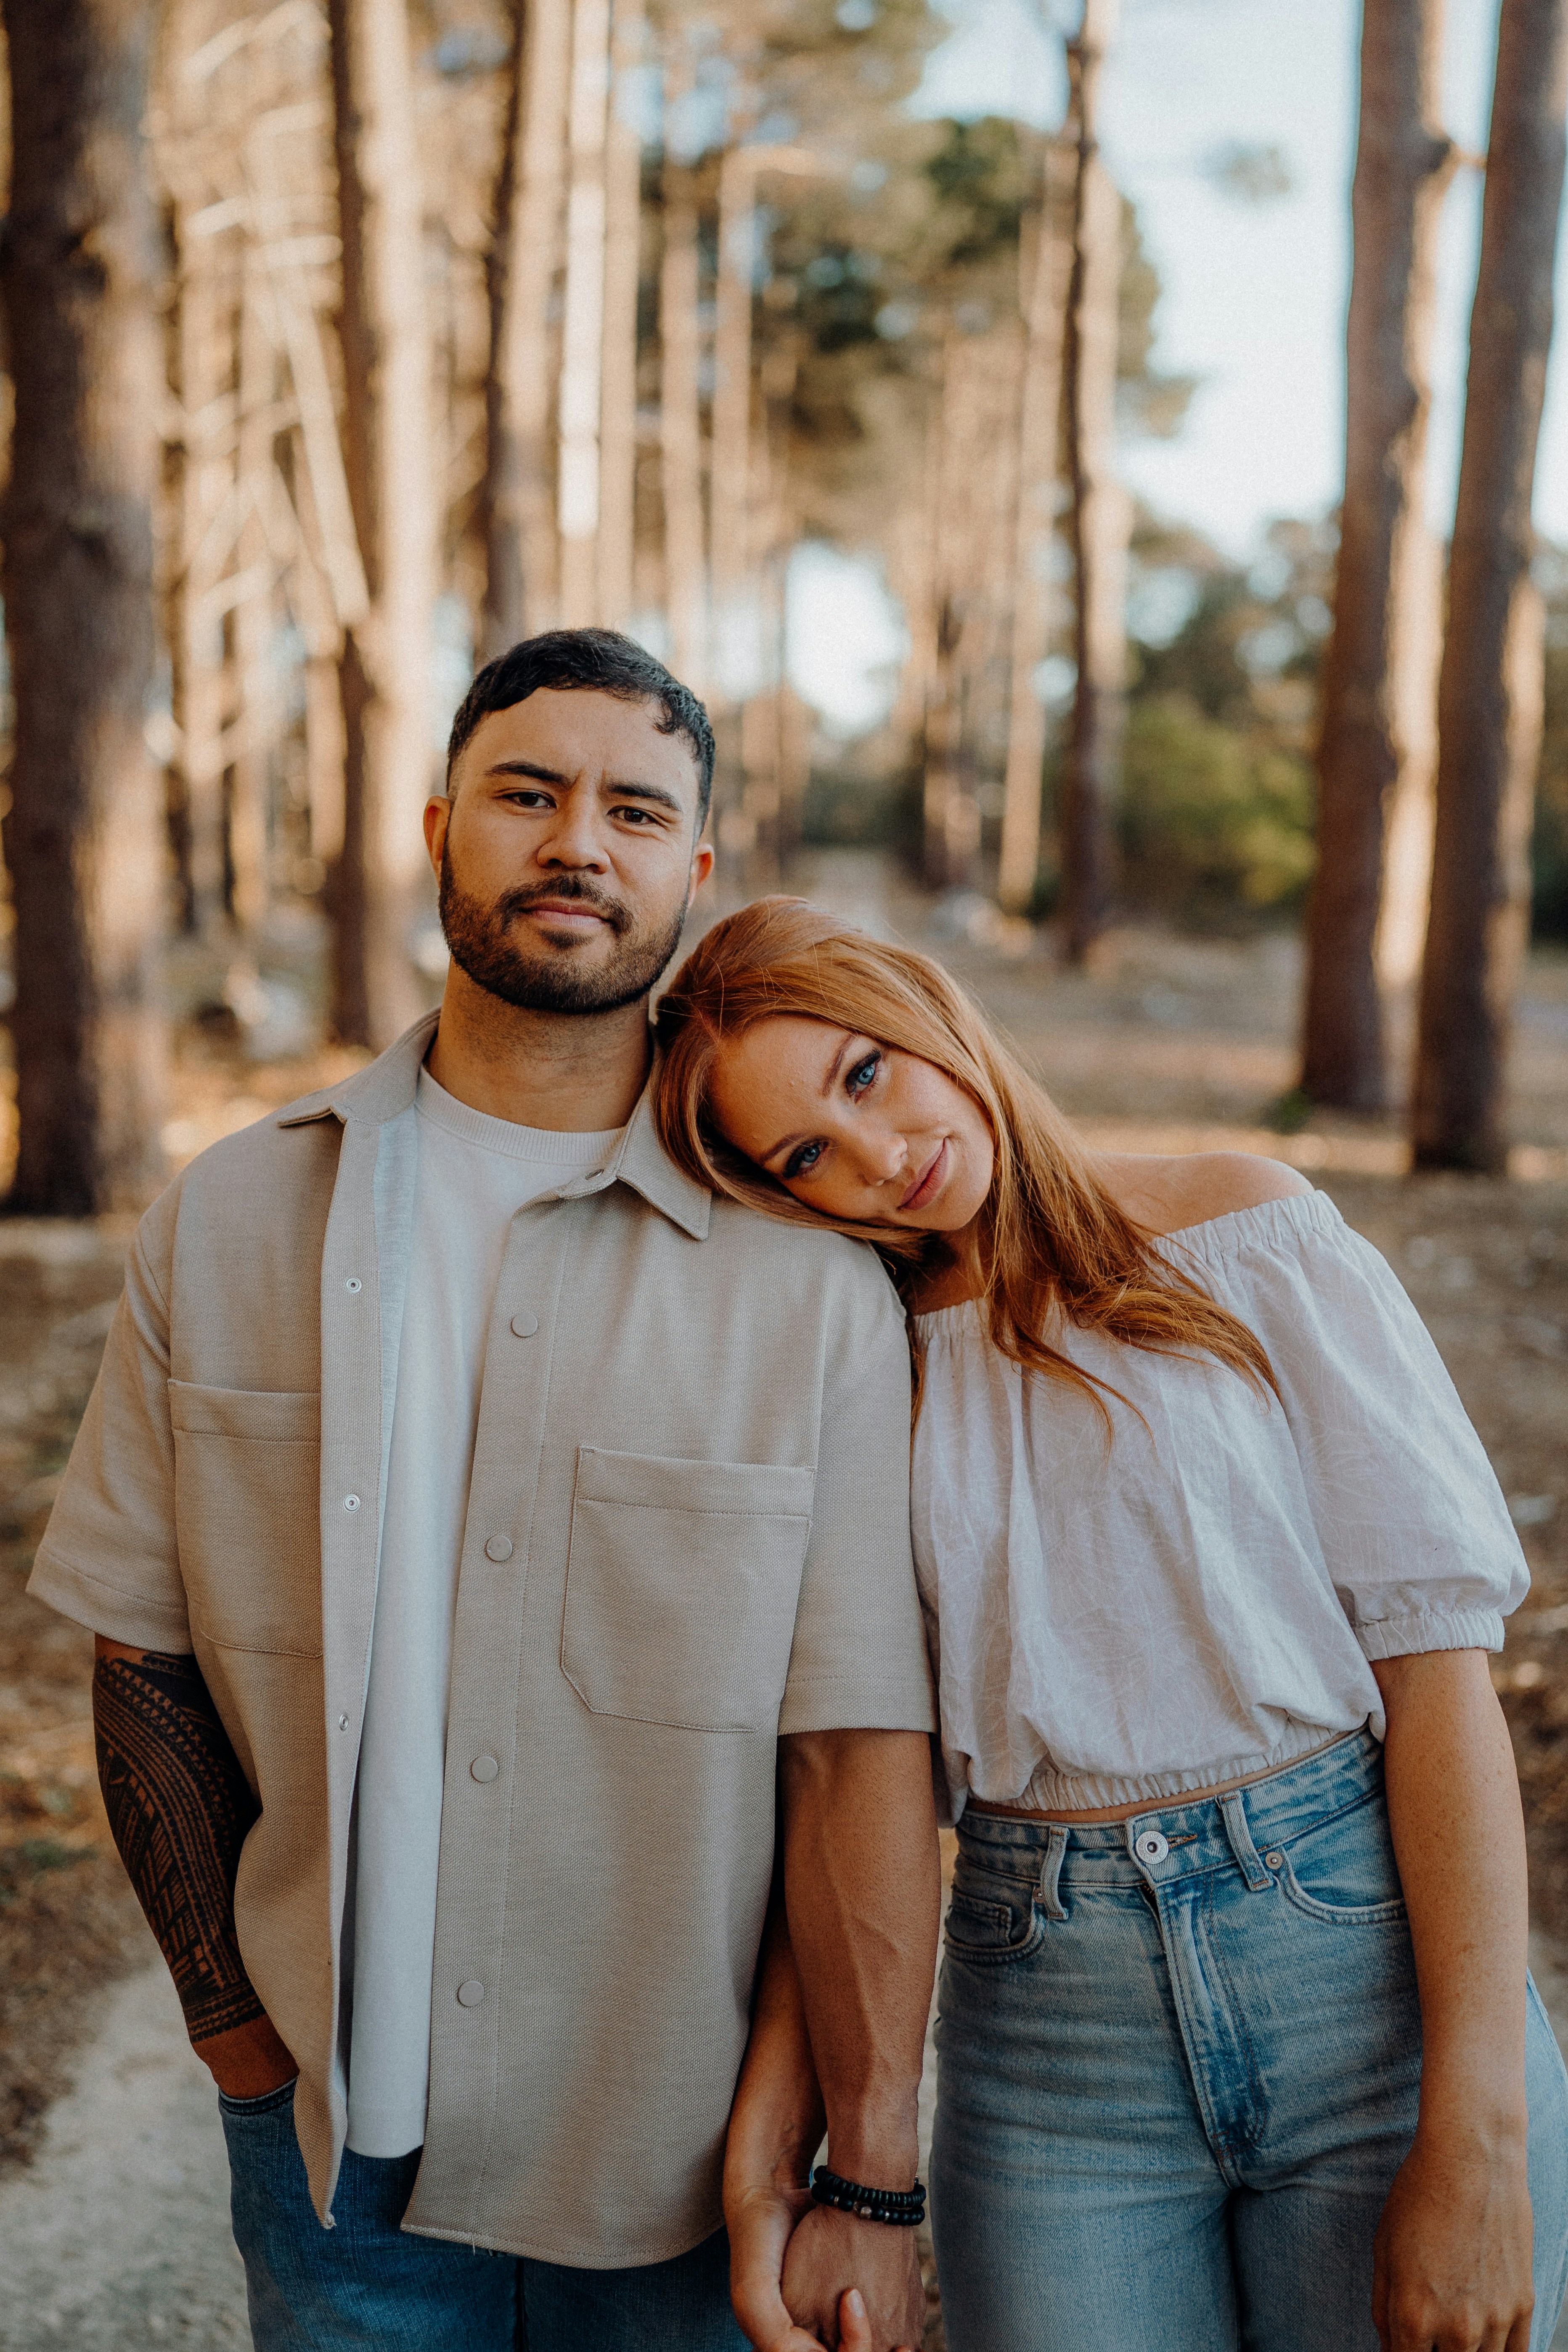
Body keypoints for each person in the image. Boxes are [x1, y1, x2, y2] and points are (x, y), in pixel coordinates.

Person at [31, 639, 941, 2352]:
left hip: (679, 2176)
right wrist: (241, 2042)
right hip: (329, 2160)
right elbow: (141, 1658)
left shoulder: (806, 1285)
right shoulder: (227, 1222)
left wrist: (860, 2167)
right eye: (526, 795)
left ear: (693, 869)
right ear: (443, 826)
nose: (574, 844)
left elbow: (855, 1758)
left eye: (633, 809)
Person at [654, 894, 1568, 2352]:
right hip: (1048, 2037)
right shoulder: (864, 1368)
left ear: (925, 1012)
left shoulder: (1246, 1229)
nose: (881, 1160)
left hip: (1358, 1968)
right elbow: (850, 1773)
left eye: (864, 1074)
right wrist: (830, 2153)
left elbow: (1438, 1669)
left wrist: (1480, 2131)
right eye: (807, 1157)